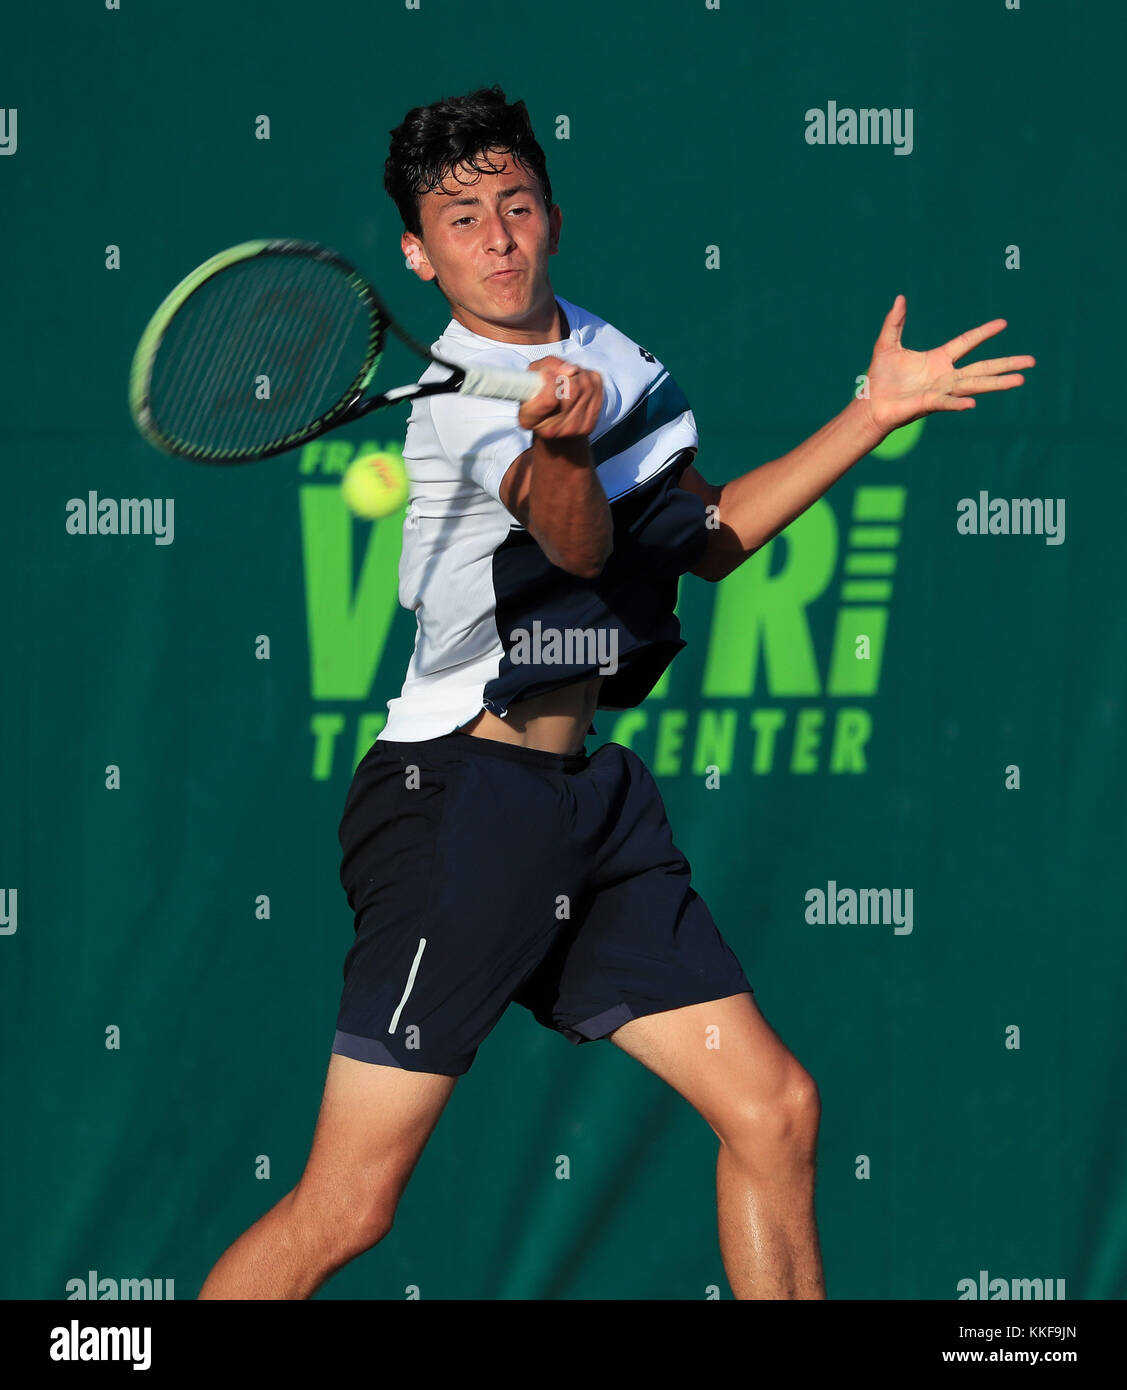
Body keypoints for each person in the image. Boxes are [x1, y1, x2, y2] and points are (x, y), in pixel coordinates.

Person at [198, 85, 1033, 1302]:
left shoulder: (609, 355)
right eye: (460, 217)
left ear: (550, 214)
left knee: (772, 1107)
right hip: (458, 808)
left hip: (585, 805)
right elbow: (579, 548)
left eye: (514, 205)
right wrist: (561, 450)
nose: (495, 237)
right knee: (350, 1203)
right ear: (415, 254)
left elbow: (707, 536)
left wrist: (872, 412)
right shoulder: (451, 406)